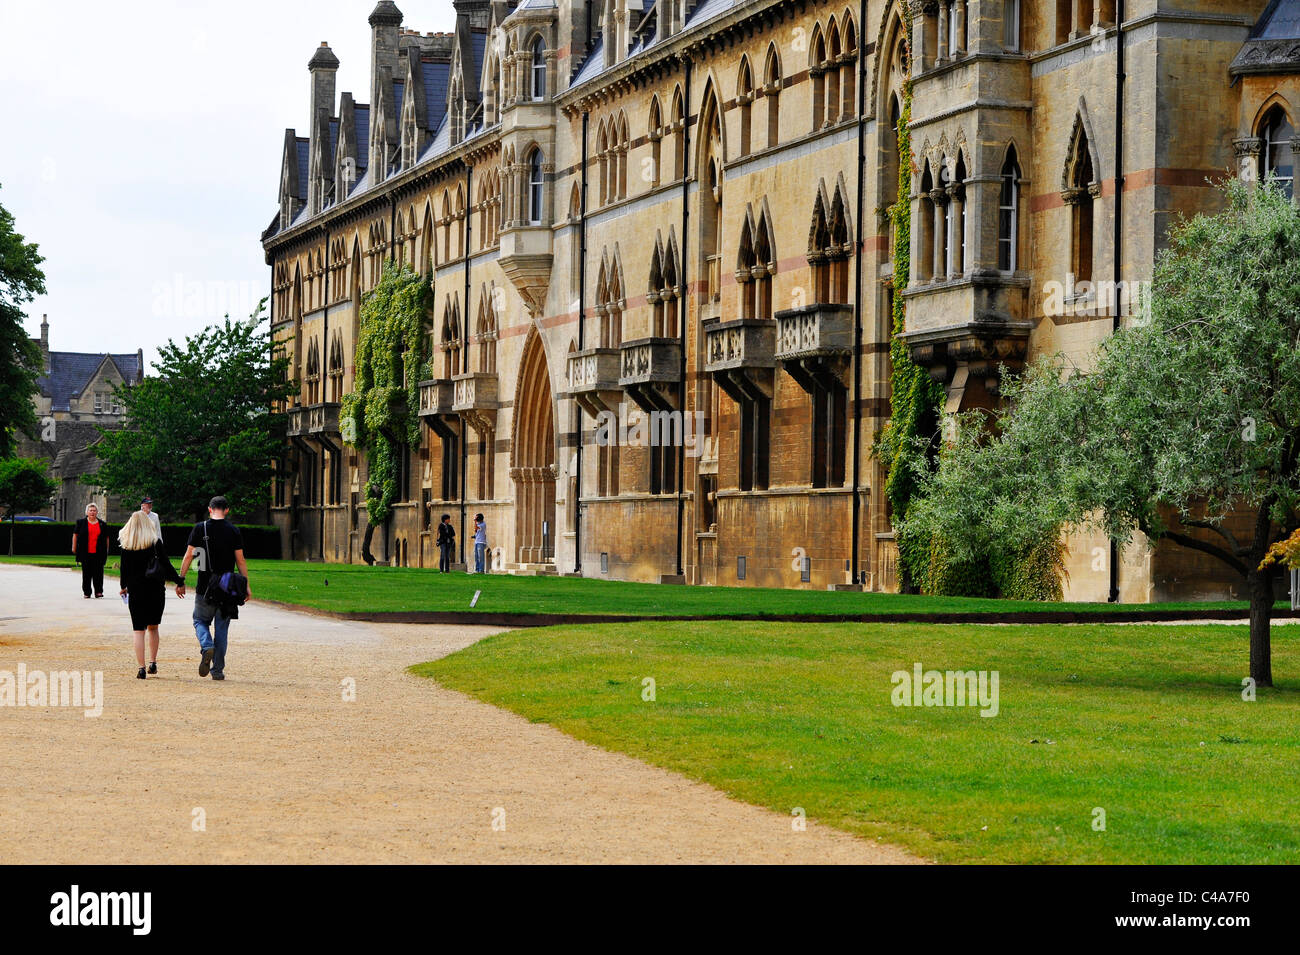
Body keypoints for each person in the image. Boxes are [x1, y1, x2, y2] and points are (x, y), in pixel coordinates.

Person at [176, 496, 250, 681]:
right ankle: (217, 670)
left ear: (210, 509)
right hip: (227, 586)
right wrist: (246, 585)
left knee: (199, 621)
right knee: (222, 629)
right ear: (227, 510)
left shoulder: (200, 528)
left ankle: (206, 644)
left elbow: (188, 556)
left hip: (205, 586)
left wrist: (181, 580)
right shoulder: (233, 531)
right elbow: (240, 560)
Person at [117, 510, 181, 679]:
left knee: (138, 630)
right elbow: (166, 565)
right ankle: (153, 662)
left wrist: (124, 586)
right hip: (155, 589)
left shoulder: (127, 545)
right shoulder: (155, 543)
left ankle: (141, 667)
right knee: (153, 627)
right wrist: (179, 581)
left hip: (136, 589)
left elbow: (124, 570)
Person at [71, 503, 112, 599]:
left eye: (94, 510)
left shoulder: (102, 524)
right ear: (87, 512)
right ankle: (87, 592)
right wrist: (74, 547)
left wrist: (107, 549)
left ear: (97, 512)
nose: (92, 512)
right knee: (86, 573)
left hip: (99, 552)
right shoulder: (81, 522)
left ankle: (98, 591)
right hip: (85, 552)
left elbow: (107, 538)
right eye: (90, 510)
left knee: (98, 573)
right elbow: (75, 535)